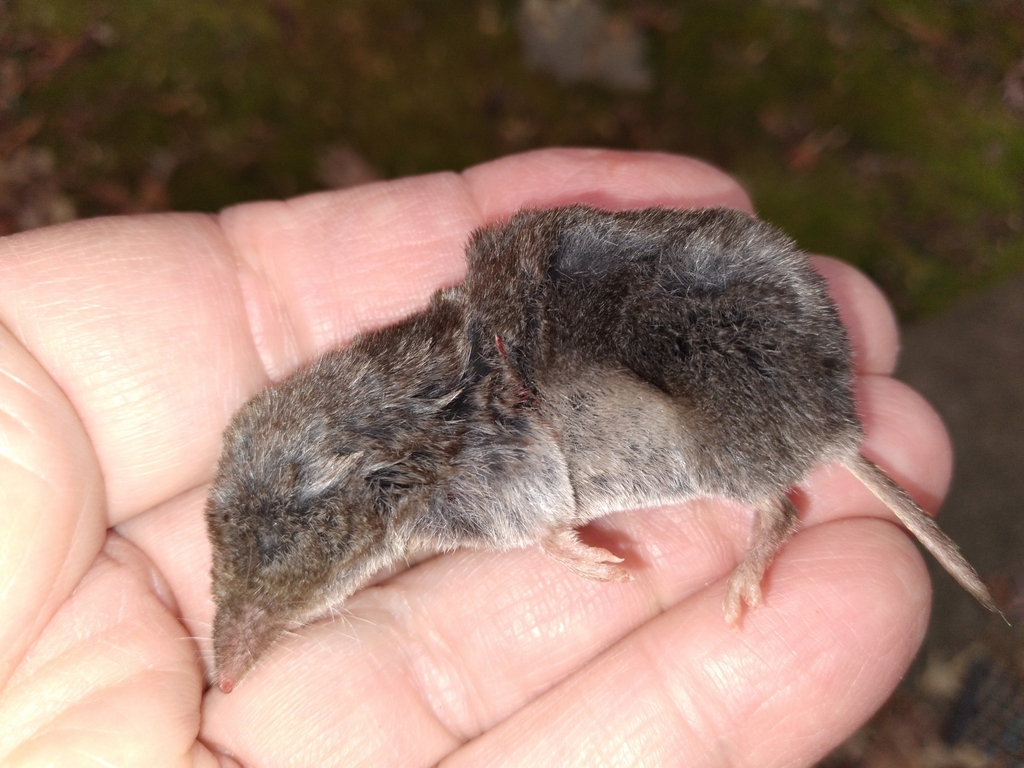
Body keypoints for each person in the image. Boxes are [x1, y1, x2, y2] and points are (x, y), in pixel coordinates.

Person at [0, 149, 948, 767]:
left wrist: (554, 532)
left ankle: (773, 510)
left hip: (704, 370)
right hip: (653, 343)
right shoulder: (400, 420)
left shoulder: (453, 483)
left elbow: (512, 494)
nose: (236, 647)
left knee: (736, 447)